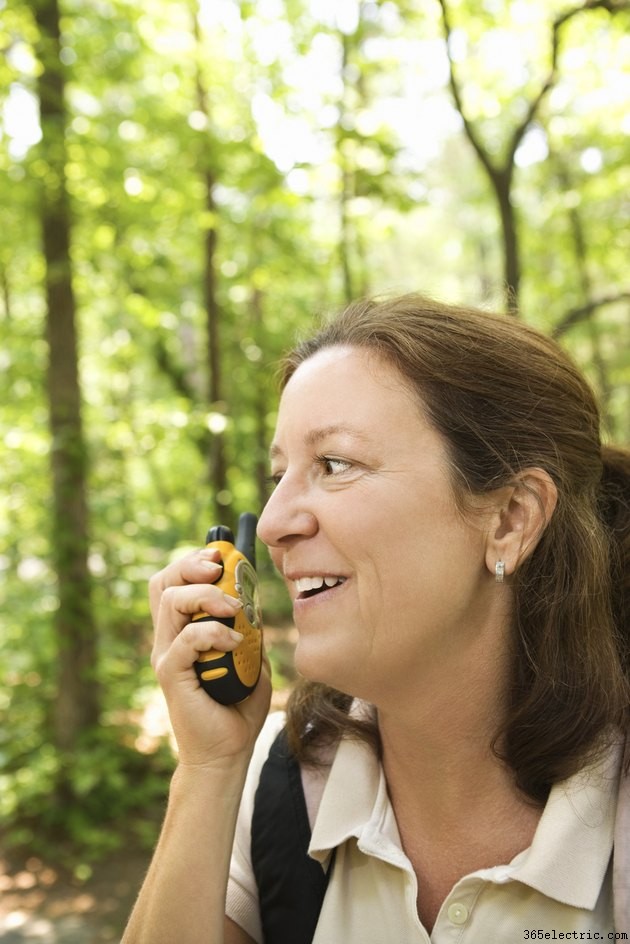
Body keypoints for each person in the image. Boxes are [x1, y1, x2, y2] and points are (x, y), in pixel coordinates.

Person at [122, 293, 630, 944]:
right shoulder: (273, 790)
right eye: (280, 474)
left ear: (510, 519)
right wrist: (209, 768)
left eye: (335, 464)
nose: (274, 524)